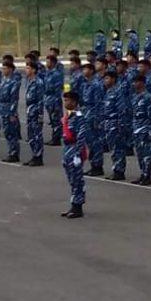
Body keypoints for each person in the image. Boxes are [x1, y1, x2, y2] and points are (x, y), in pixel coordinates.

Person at [60, 90, 87, 219]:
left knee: (77, 180)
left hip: (75, 150)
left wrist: (77, 153)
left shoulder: (79, 116)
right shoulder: (68, 115)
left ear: (75, 102)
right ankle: (73, 205)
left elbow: (81, 136)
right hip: (67, 150)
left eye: (68, 100)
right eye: (64, 100)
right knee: (71, 179)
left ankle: (78, 207)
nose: (65, 102)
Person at [0, 61, 22, 162]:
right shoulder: (3, 80)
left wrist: (12, 113)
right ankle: (11, 151)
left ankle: (14, 153)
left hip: (9, 109)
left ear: (10, 69)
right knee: (7, 132)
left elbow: (14, 99)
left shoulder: (13, 82)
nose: (3, 70)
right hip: (3, 108)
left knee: (12, 132)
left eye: (5, 68)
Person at [24, 59, 45, 167]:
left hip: (36, 112)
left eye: (28, 68)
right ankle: (34, 155)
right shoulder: (29, 81)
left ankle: (38, 157)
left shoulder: (38, 82)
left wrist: (40, 115)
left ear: (33, 70)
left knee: (37, 135)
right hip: (30, 111)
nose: (26, 70)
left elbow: (40, 100)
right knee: (31, 135)